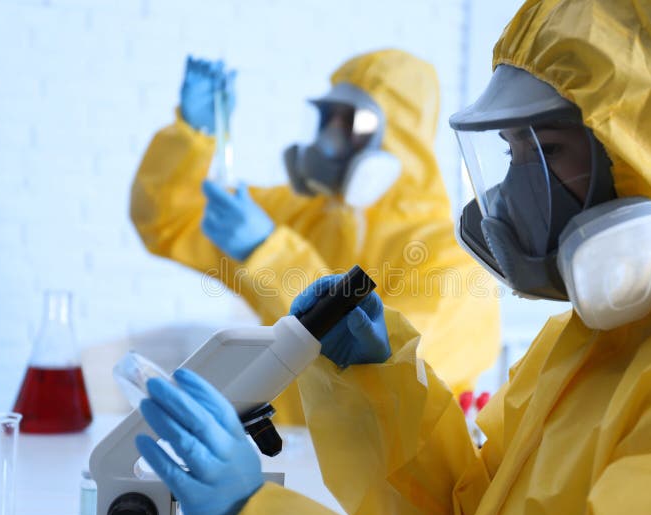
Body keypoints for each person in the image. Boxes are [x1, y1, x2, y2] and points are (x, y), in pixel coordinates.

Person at [134, 0, 651, 515]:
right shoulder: (582, 347)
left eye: (547, 148)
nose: (519, 187)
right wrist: (376, 383)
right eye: (511, 150)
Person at [130, 49, 501, 425]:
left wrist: (270, 254)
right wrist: (192, 139)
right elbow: (169, 222)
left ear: (398, 139)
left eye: (350, 122)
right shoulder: (304, 217)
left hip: (392, 458)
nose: (329, 139)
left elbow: (381, 362)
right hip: (291, 446)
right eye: (328, 118)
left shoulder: (455, 256)